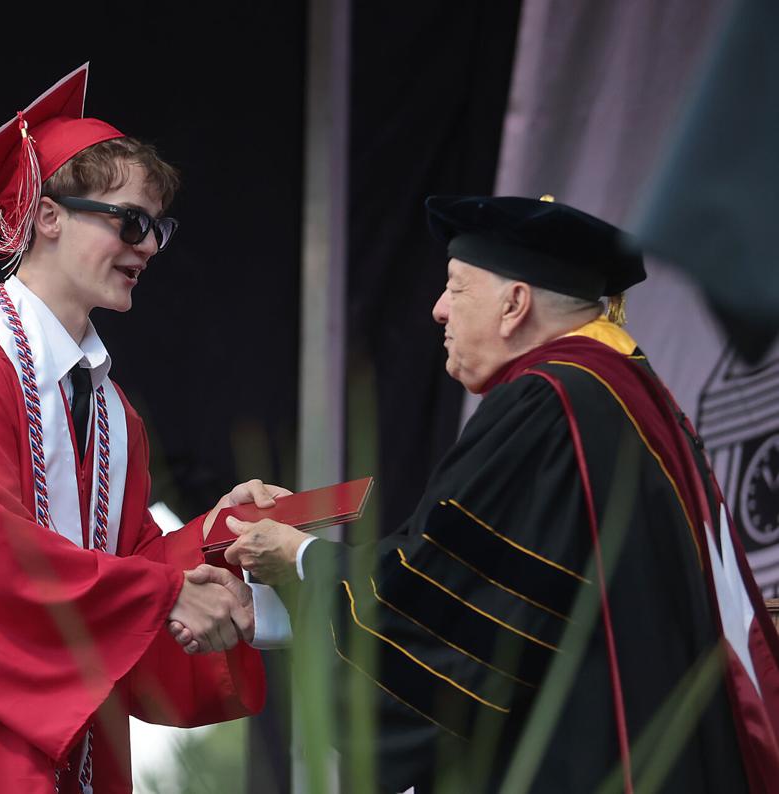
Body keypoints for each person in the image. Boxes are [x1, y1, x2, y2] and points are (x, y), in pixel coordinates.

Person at [184, 196, 779, 792]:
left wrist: (298, 558)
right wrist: (271, 598)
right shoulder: (626, 397)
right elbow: (505, 605)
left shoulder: (549, 401)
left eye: (456, 287)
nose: (438, 310)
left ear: (514, 304)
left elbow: (441, 609)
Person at [0, 63, 291, 794]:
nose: (149, 246)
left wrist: (222, 541)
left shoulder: (113, 412)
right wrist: (162, 595)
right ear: (49, 215)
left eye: (158, 228)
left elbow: (127, 561)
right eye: (129, 221)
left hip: (76, 721)